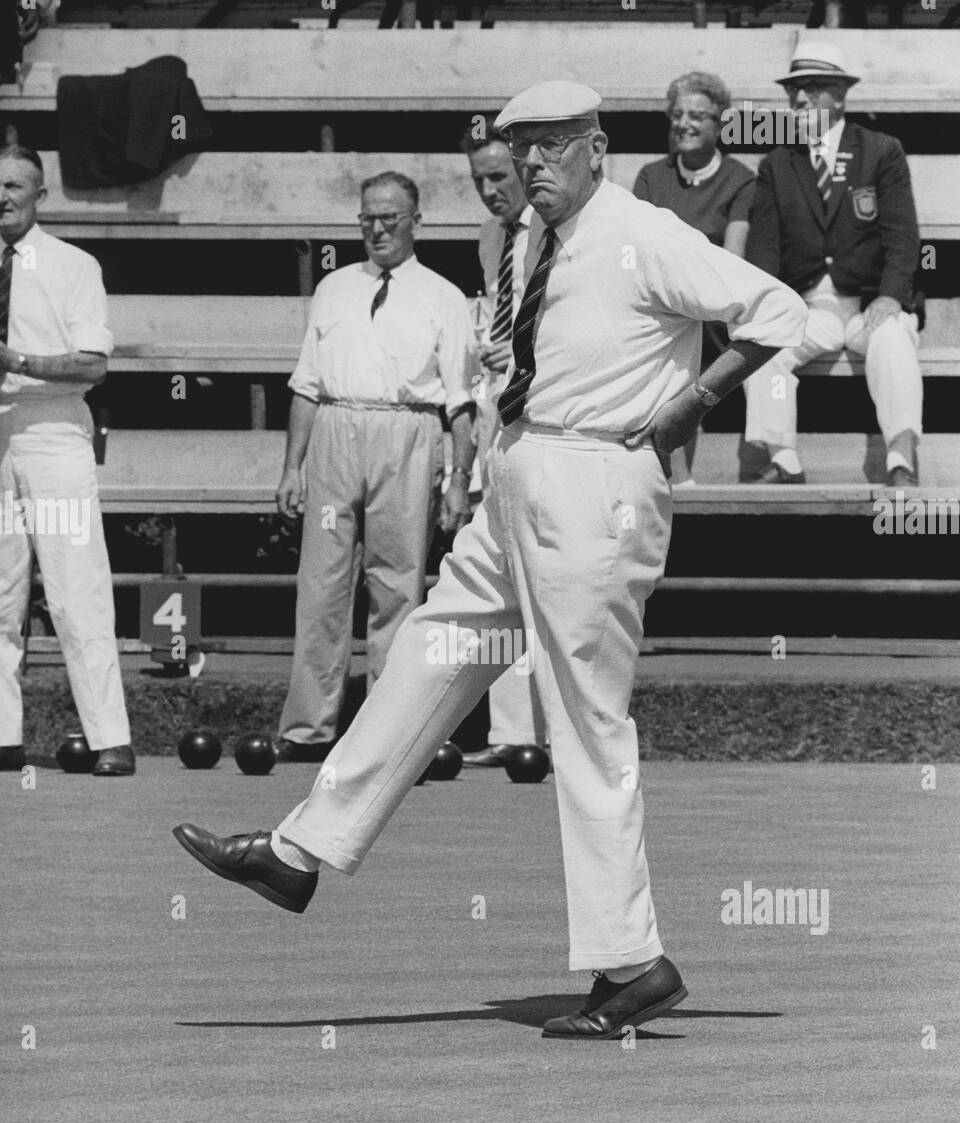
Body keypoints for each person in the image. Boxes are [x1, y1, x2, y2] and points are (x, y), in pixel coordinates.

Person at [174, 81, 805, 1042]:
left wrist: (696, 402)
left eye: (554, 147)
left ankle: (633, 961)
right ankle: (301, 850)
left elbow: (777, 311)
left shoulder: (643, 232)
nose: (535, 164)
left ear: (596, 147)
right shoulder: (527, 242)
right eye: (523, 148)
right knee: (430, 653)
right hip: (519, 475)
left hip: (597, 481)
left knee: (586, 719)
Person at [274, 171, 478, 762]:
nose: (378, 227)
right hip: (338, 431)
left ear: (416, 220)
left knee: (398, 585)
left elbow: (460, 400)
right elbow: (306, 385)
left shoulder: (442, 295)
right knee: (322, 584)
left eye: (391, 216)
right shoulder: (334, 288)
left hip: (409, 432)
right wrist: (292, 468)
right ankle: (308, 729)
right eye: (367, 217)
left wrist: (457, 480)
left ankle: (387, 738)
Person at [0, 145, 135, 776]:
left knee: (75, 590)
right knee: (0, 596)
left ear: (38, 195)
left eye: (14, 185)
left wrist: (17, 362)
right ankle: (3, 738)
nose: (2, 196)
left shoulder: (73, 265)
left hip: (52, 434)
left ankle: (111, 738)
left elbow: (93, 364)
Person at [742, 38, 923, 487]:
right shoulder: (776, 164)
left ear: (840, 95)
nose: (800, 98)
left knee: (893, 339)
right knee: (763, 351)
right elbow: (763, 250)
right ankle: (784, 461)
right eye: (794, 89)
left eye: (815, 87)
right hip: (809, 308)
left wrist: (889, 297)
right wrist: (768, 310)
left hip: (868, 304)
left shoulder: (881, 150)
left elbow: (903, 238)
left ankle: (901, 456)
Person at [460, 122, 548, 769]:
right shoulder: (491, 238)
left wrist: (521, 349)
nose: (490, 191)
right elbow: (499, 307)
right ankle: (511, 732)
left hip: (544, 416)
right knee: (499, 577)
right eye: (479, 181)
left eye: (499, 177)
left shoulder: (553, 229)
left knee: (543, 576)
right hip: (497, 410)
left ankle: (554, 730)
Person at [633, 71, 755, 483]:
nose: (684, 123)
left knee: (687, 342)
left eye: (697, 115)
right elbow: (640, 251)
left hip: (710, 309)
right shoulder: (652, 176)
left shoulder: (740, 179)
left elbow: (733, 257)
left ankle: (679, 478)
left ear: (720, 122)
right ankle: (665, 476)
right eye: (678, 114)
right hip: (660, 303)